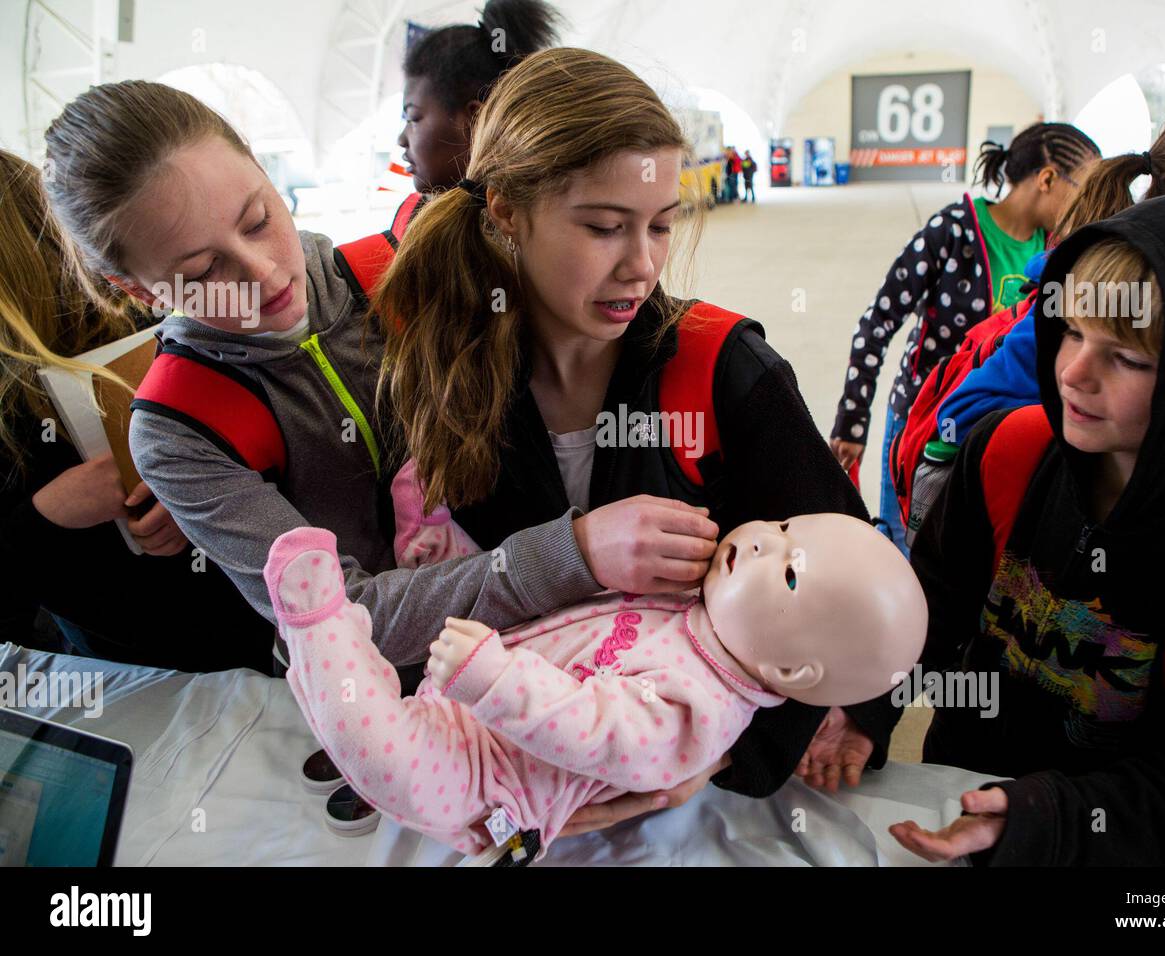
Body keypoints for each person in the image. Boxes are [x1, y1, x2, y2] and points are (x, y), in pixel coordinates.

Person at [41, 80, 714, 696]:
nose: (264, 272)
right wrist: (575, 552)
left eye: (256, 219)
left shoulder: (407, 261)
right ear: (133, 289)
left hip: (574, 652)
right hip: (390, 706)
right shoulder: (178, 429)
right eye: (204, 268)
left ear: (259, 164)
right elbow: (343, 619)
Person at [371, 47, 882, 806]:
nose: (641, 266)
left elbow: (849, 583)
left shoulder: (727, 372)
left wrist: (712, 761)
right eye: (605, 227)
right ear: (507, 210)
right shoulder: (440, 371)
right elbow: (384, 615)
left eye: (662, 227)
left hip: (692, 779)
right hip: (518, 772)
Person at [884, 192, 1165, 865]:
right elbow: (924, 610)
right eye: (1070, 331)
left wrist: (1045, 820)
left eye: (1127, 358)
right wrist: (862, 707)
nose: (1073, 372)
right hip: (952, 800)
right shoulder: (1006, 451)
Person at [260, 508, 925, 858]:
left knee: (380, 751)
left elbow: (602, 732)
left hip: (488, 784)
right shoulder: (707, 613)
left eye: (786, 574)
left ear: (788, 671)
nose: (759, 546)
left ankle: (319, 623)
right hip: (468, 709)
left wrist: (497, 680)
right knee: (383, 710)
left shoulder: (702, 712)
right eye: (781, 530)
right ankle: (337, 649)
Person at [0, 149, 273, 671]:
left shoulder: (134, 321)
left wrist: (186, 486)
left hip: (238, 628)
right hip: (113, 663)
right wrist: (44, 517)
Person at [937, 87, 1165, 464]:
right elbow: (962, 418)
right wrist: (1121, 458)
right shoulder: (1106, 287)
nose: (1077, 373)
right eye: (1132, 360)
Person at [829, 123, 1100, 556]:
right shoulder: (953, 231)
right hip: (923, 423)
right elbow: (876, 322)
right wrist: (852, 421)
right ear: (1047, 179)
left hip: (990, 435)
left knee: (958, 557)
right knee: (903, 547)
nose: (1090, 204)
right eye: (1086, 188)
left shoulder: (1055, 251)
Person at [398, 0, 562, 194]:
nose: (401, 139)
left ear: (476, 121)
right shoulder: (535, 213)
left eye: (413, 118)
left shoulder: (520, 219)